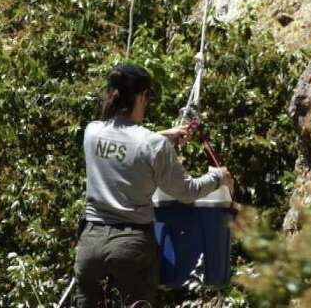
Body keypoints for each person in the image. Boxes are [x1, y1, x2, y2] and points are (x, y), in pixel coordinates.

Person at [73, 62, 233, 307]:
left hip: (90, 244)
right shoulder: (152, 145)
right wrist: (218, 177)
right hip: (131, 245)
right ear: (141, 96)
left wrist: (163, 136)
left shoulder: (92, 132)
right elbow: (187, 192)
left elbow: (126, 145)